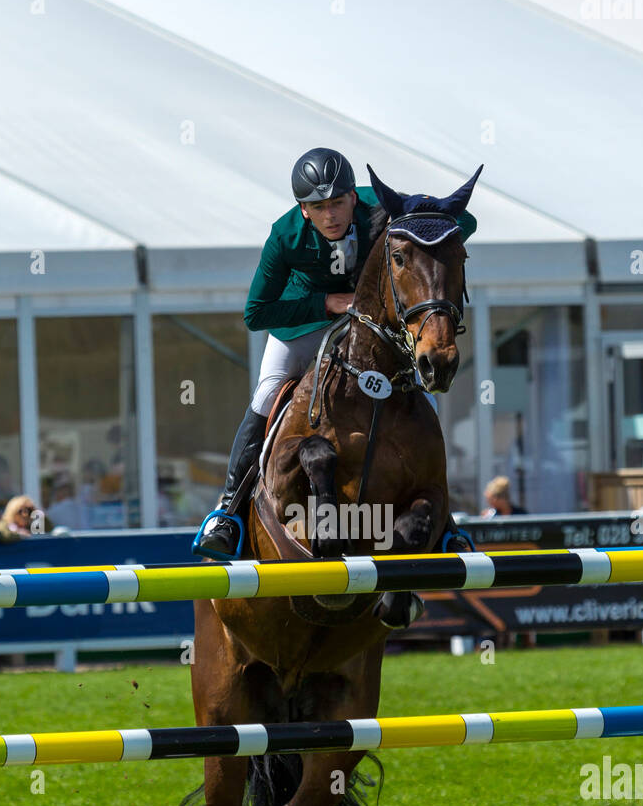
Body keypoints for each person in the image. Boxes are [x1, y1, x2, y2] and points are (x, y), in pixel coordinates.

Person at [193, 147, 478, 565]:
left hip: (374, 326)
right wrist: (327, 302)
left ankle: (443, 521)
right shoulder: (285, 235)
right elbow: (256, 313)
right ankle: (228, 510)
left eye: (338, 203)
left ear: (353, 197)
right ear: (303, 210)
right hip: (303, 324)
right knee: (267, 392)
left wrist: (425, 217)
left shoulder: (376, 206)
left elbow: (462, 222)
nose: (331, 215)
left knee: (422, 397)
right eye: (318, 207)